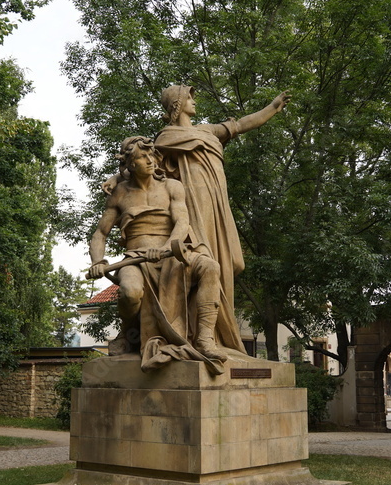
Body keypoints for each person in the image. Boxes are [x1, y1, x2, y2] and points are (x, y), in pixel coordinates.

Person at [152, 85, 289, 354]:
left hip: (217, 204)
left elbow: (240, 124)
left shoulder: (206, 130)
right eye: (189, 97)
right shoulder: (166, 137)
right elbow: (145, 169)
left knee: (234, 262)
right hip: (193, 203)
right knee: (205, 265)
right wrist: (115, 180)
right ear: (177, 104)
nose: (194, 100)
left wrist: (272, 108)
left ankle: (209, 331)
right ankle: (201, 333)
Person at [88, 136, 228, 372]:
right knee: (130, 293)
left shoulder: (172, 186)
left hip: (172, 254)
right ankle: (127, 332)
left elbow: (182, 222)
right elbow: (100, 234)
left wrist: (165, 248)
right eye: (143, 157)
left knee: (210, 267)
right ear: (131, 164)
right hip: (135, 258)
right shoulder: (120, 193)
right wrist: (97, 261)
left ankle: (205, 339)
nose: (150, 161)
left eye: (151, 155)